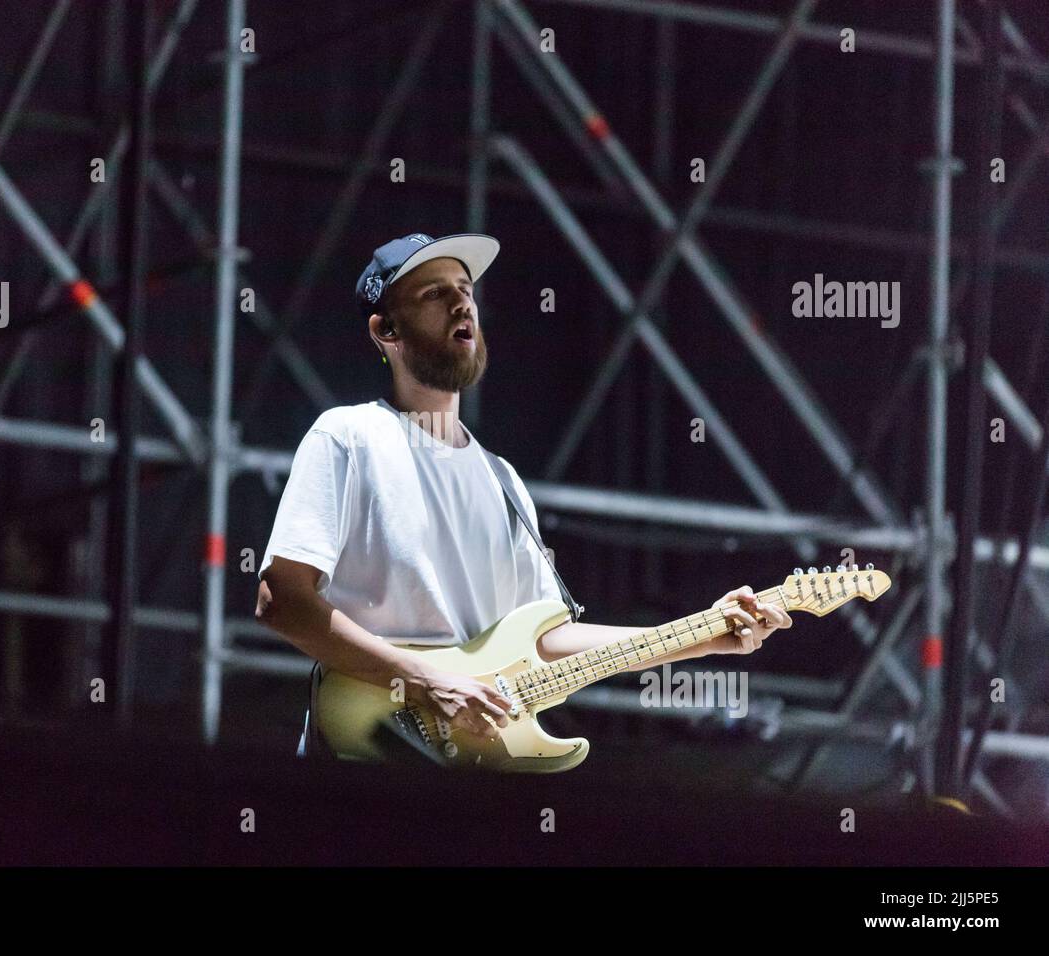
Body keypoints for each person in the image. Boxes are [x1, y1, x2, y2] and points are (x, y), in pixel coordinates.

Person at [255, 232, 792, 757]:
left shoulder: (504, 482)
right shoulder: (348, 436)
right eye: (433, 293)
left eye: (464, 289)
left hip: (471, 769)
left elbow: (544, 644)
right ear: (385, 330)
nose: (461, 303)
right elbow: (281, 600)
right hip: (371, 741)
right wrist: (426, 680)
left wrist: (701, 635)